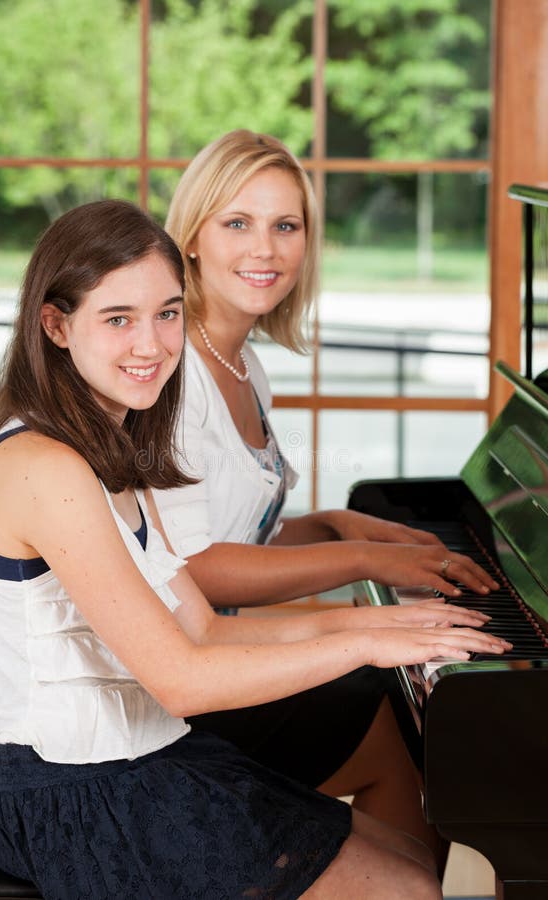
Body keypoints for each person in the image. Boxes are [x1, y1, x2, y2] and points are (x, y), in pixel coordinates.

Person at [0, 198, 510, 900]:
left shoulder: (110, 445)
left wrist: (377, 623)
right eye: (118, 318)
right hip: (68, 791)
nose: (153, 344)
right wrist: (366, 644)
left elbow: (204, 625)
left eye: (166, 313)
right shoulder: (46, 466)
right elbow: (182, 679)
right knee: (403, 886)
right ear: (57, 324)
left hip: (144, 755)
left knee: (406, 854)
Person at [151, 129, 501, 872]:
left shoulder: (241, 364)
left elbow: (245, 537)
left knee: (404, 710)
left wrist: (337, 525)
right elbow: (197, 567)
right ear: (191, 238)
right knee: (392, 713)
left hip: (217, 653)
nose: (266, 249)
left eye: (287, 226)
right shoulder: (175, 375)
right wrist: (366, 556)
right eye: (237, 223)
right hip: (170, 691)